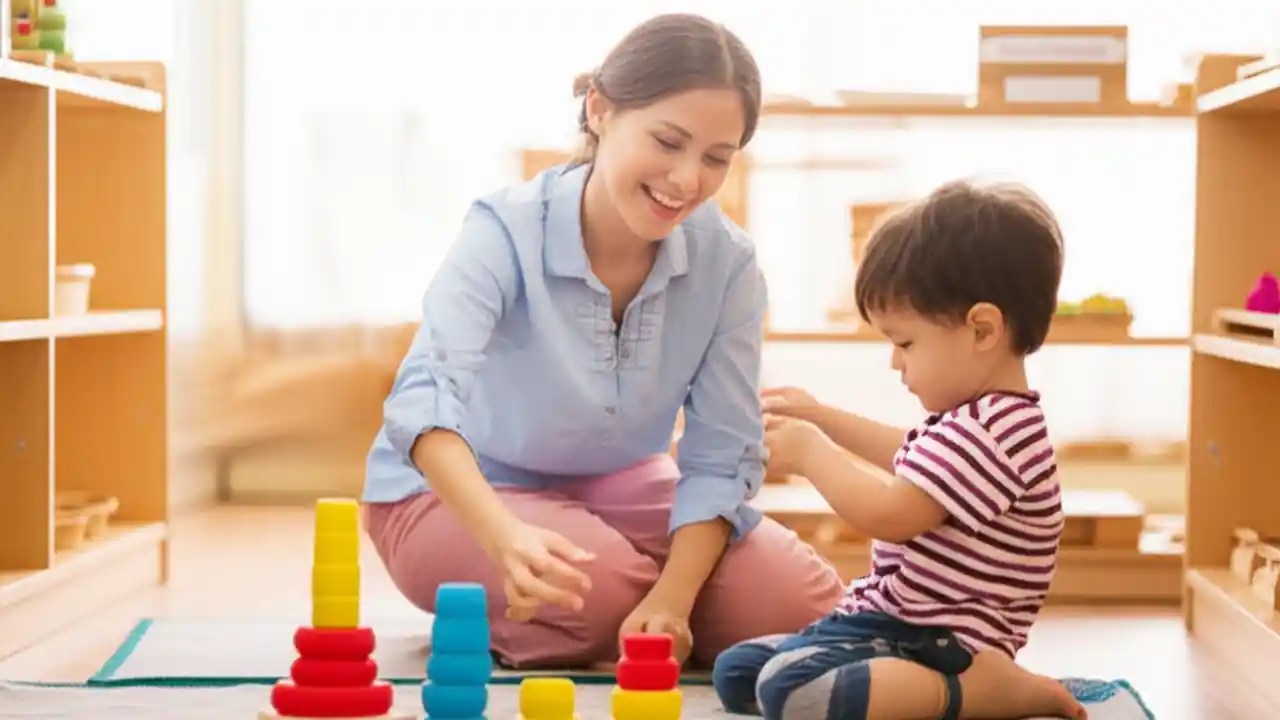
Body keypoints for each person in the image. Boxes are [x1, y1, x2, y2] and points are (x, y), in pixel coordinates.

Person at [361, 13, 844, 670]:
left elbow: (723, 454)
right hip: (451, 493)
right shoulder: (503, 230)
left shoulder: (728, 266)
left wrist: (674, 598)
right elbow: (424, 399)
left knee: (798, 604)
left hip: (621, 486)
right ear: (600, 110)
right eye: (668, 141)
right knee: (597, 592)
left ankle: (617, 591)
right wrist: (503, 537)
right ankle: (565, 594)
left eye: (715, 159)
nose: (685, 180)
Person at [712, 180, 1088, 719]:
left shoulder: (997, 428)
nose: (896, 362)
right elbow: (911, 457)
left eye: (905, 343)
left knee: (788, 690)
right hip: (898, 622)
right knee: (739, 673)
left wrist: (812, 453)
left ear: (983, 329)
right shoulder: (974, 420)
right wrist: (823, 417)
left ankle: (986, 693)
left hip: (943, 642)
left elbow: (895, 514)